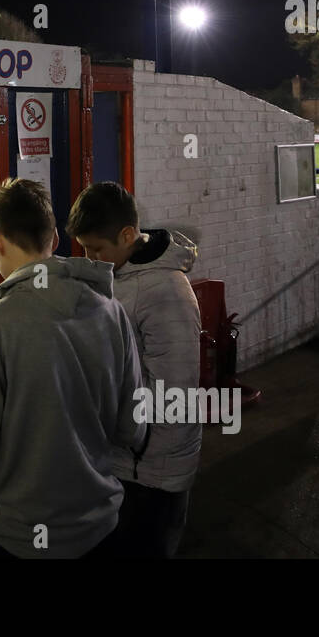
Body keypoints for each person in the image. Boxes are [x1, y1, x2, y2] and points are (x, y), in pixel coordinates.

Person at [0, 179, 146, 559]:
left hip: (21, 536)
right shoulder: (111, 311)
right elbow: (133, 427)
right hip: (102, 530)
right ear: (53, 238)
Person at [67, 181, 201, 558]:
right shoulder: (120, 275)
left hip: (152, 470)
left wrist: (129, 437)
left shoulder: (167, 292)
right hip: (125, 459)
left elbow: (174, 393)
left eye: (97, 249)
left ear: (127, 235)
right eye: (85, 249)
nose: (91, 258)